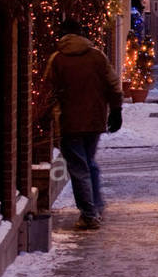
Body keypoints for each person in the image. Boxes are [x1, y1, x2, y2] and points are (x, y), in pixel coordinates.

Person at [46, 18, 123, 231]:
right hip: (95, 120)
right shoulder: (97, 56)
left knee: (79, 168)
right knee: (89, 162)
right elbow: (114, 84)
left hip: (69, 121)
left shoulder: (57, 60)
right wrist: (116, 110)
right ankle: (96, 204)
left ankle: (89, 214)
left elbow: (48, 92)